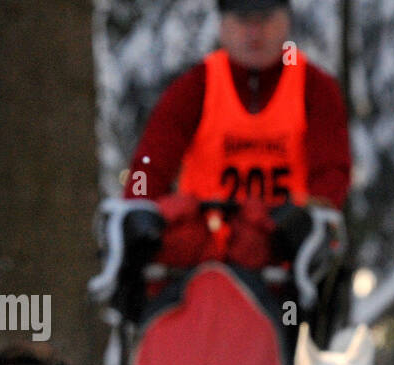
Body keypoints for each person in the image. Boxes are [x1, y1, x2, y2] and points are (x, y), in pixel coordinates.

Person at [122, 0, 351, 276]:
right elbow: (149, 163)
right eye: (243, 20)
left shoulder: (314, 88)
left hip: (283, 257)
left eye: (265, 19)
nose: (254, 33)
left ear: (286, 21)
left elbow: (332, 170)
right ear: (222, 24)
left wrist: (309, 218)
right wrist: (139, 210)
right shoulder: (196, 86)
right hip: (200, 256)